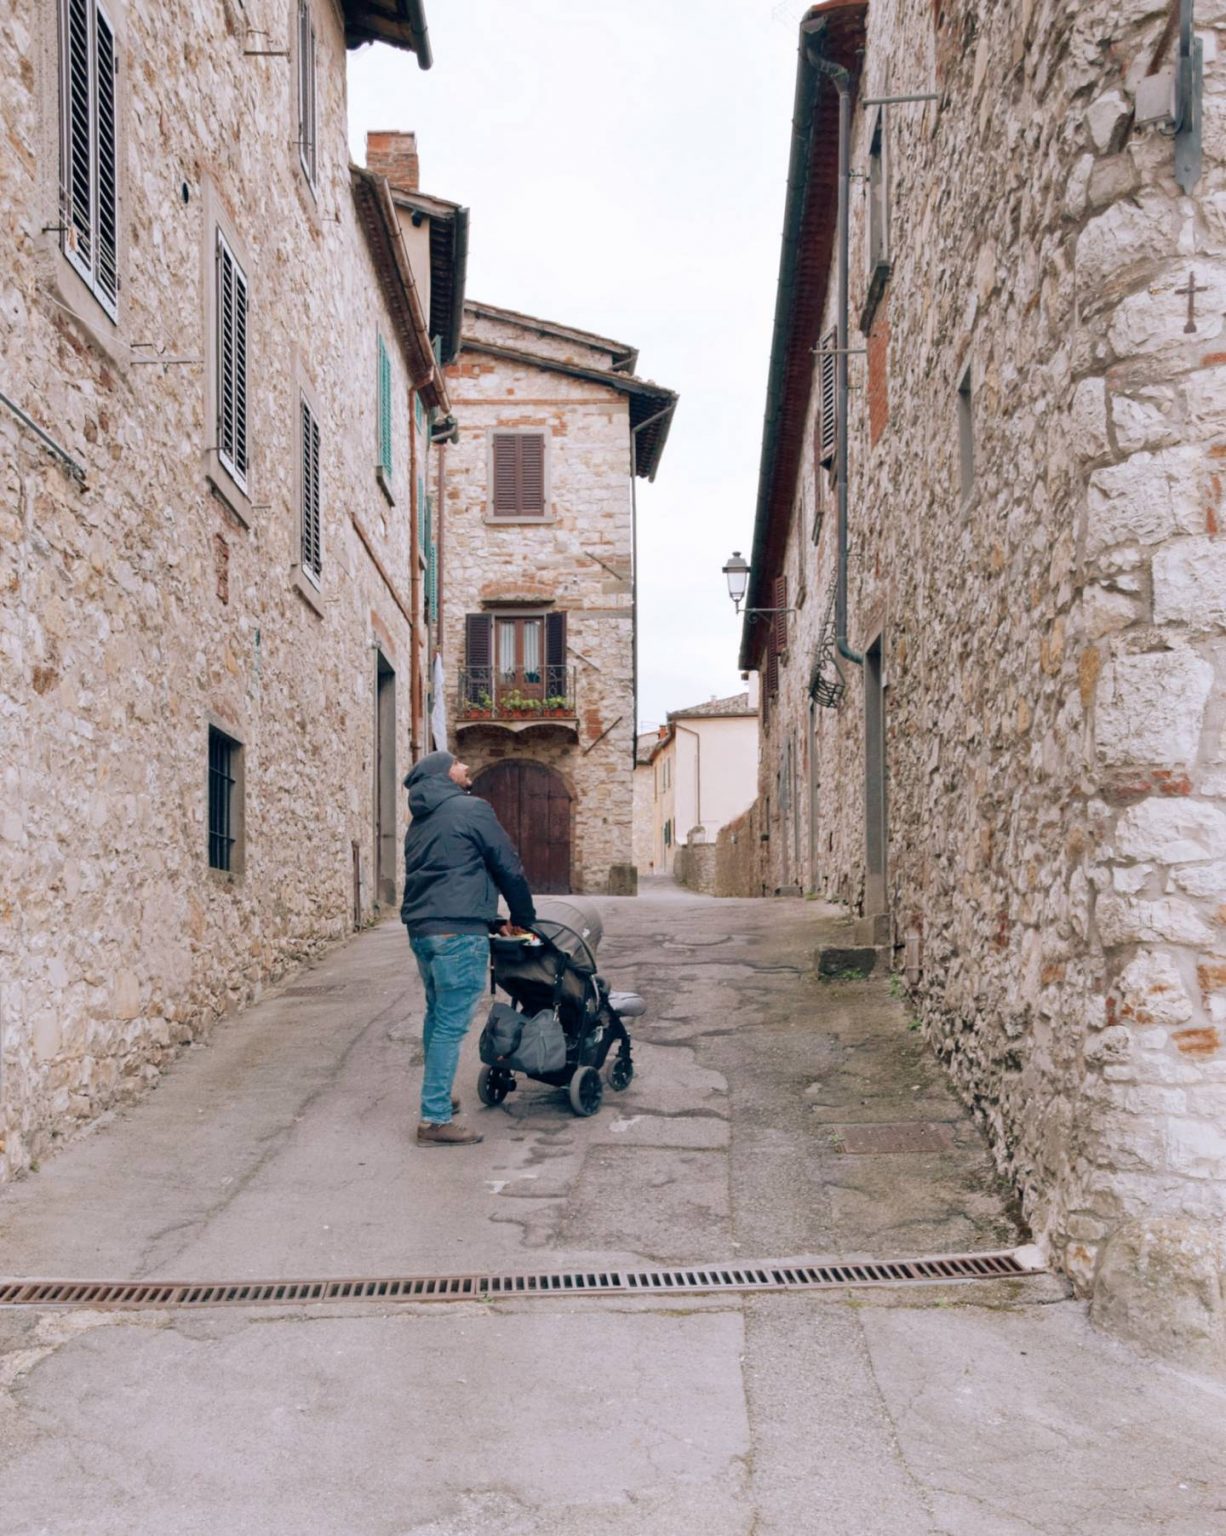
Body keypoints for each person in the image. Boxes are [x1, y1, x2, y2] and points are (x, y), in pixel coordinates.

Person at [400, 751, 536, 1147]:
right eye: (458, 762)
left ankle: (438, 1094)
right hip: (458, 933)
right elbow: (505, 865)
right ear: (444, 774)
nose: (465, 767)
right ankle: (435, 1120)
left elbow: (447, 878)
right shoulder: (472, 809)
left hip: (423, 929)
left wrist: (491, 919)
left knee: (436, 1013)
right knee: (450, 1023)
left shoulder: (420, 822)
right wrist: (523, 917)